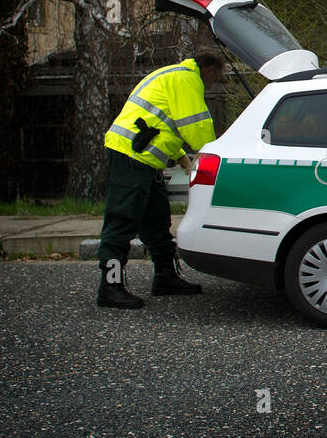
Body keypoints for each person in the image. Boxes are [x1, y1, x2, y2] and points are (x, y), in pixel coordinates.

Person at [96, 50, 228, 308]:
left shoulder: (173, 76)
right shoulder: (187, 79)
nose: (214, 84)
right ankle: (109, 287)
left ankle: (165, 278)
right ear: (209, 70)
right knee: (122, 219)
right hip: (131, 157)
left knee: (156, 220)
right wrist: (220, 156)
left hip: (142, 158)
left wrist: (182, 158)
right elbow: (197, 127)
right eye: (216, 78)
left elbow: (164, 124)